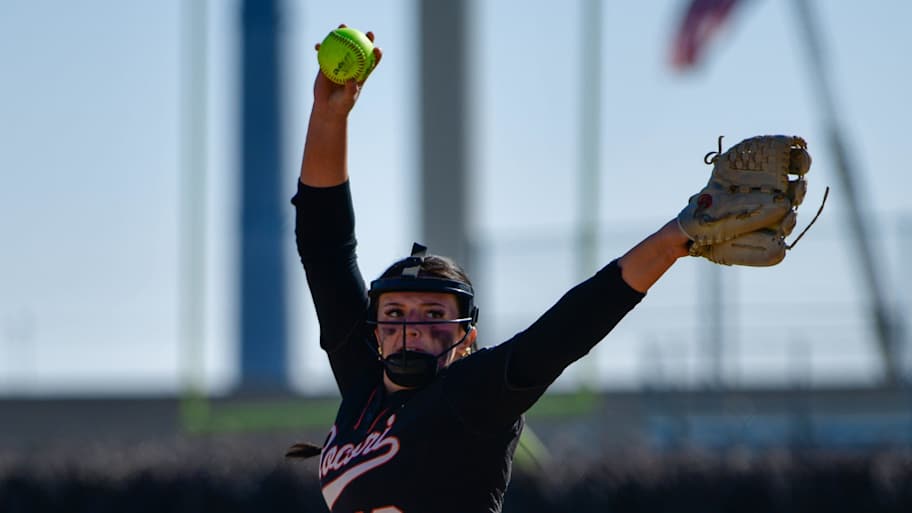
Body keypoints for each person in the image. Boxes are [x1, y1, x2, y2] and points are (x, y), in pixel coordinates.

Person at [291, 28, 690, 513]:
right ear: (376, 332)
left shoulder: (470, 395)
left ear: (466, 338)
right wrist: (329, 115)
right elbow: (324, 248)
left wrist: (673, 240)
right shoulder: (364, 386)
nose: (409, 328)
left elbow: (569, 328)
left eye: (431, 314)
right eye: (395, 312)